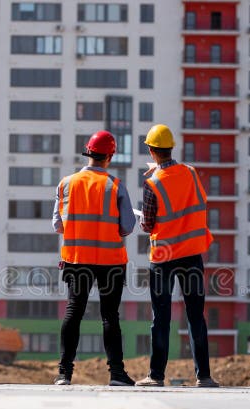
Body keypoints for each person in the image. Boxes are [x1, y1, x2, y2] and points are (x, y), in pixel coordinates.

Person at [135, 124, 220, 388]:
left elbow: (148, 223)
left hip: (163, 256)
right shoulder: (191, 173)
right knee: (196, 316)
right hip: (192, 253)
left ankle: (156, 376)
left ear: (150, 150)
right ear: (171, 148)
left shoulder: (152, 183)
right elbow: (197, 202)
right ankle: (203, 376)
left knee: (161, 317)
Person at [51, 130, 136, 386]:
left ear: (88, 153)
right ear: (109, 156)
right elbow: (128, 226)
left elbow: (57, 224)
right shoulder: (115, 186)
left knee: (73, 311)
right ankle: (117, 374)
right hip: (110, 261)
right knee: (110, 316)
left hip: (77, 258)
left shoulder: (66, 184)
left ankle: (64, 374)